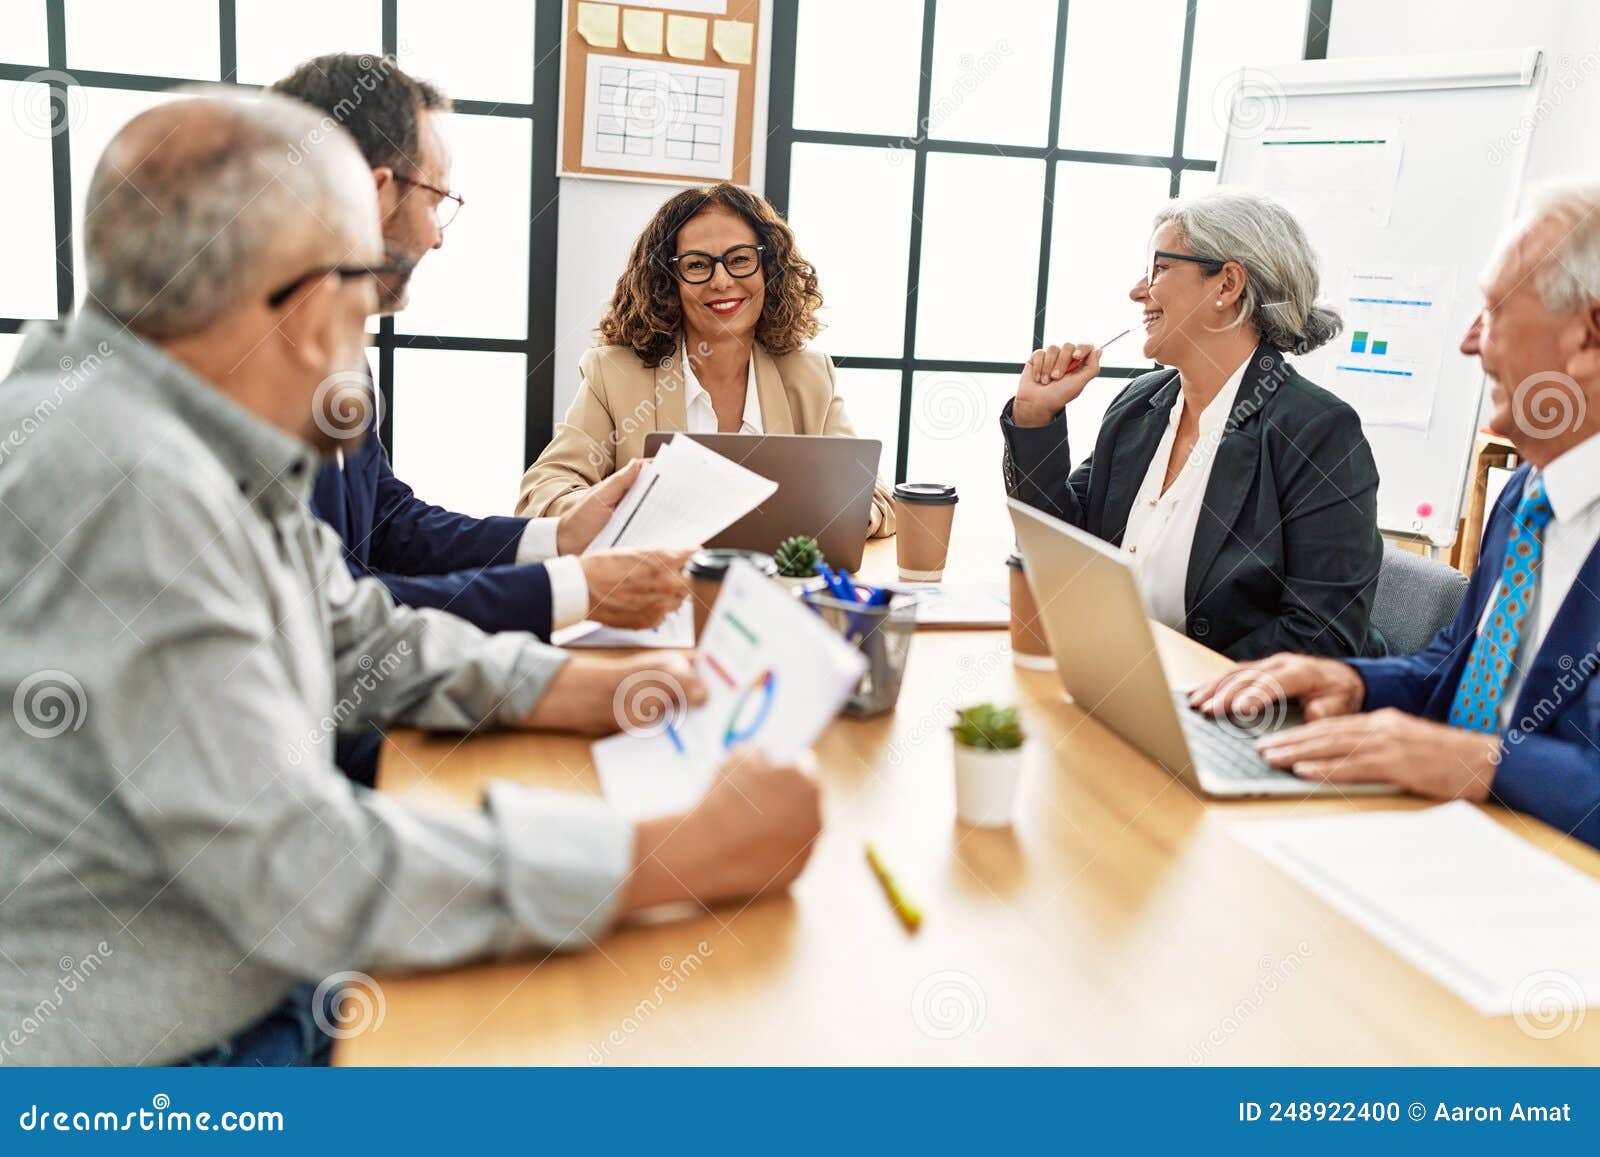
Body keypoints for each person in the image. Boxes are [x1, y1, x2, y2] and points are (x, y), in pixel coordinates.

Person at [0, 90, 820, 1066]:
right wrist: (675, 853)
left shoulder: (179, 420)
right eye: (363, 286)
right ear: (305, 306)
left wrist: (592, 687)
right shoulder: (128, 480)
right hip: (169, 1060)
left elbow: (354, 629)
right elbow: (301, 871)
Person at [272, 54, 690, 786]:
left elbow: (388, 521)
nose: (437, 235)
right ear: (376, 195)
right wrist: (576, 588)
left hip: (374, 727)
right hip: (305, 769)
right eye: (438, 198)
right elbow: (332, 615)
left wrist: (559, 537)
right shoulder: (250, 375)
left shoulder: (339, 349)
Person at [1193, 183, 1600, 848]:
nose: (1470, 343)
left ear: (1588, 335)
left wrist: (1481, 762)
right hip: (1448, 842)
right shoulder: (1528, 494)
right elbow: (1459, 669)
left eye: (1495, 311)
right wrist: (1350, 679)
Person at [1002, 189, 1384, 660]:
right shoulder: (1138, 406)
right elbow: (1061, 551)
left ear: (1227, 285)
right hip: (1125, 690)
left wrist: (1173, 679)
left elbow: (1322, 636)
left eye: (1159, 268)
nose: (1138, 291)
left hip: (1244, 717)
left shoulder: (1317, 432)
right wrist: (1034, 418)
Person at [515, 183, 895, 538]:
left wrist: (830, 513)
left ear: (769, 269)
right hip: (653, 590)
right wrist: (622, 510)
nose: (722, 281)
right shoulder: (614, 374)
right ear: (668, 279)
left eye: (740, 259)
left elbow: (876, 497)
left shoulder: (809, 375)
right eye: (697, 264)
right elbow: (542, 494)